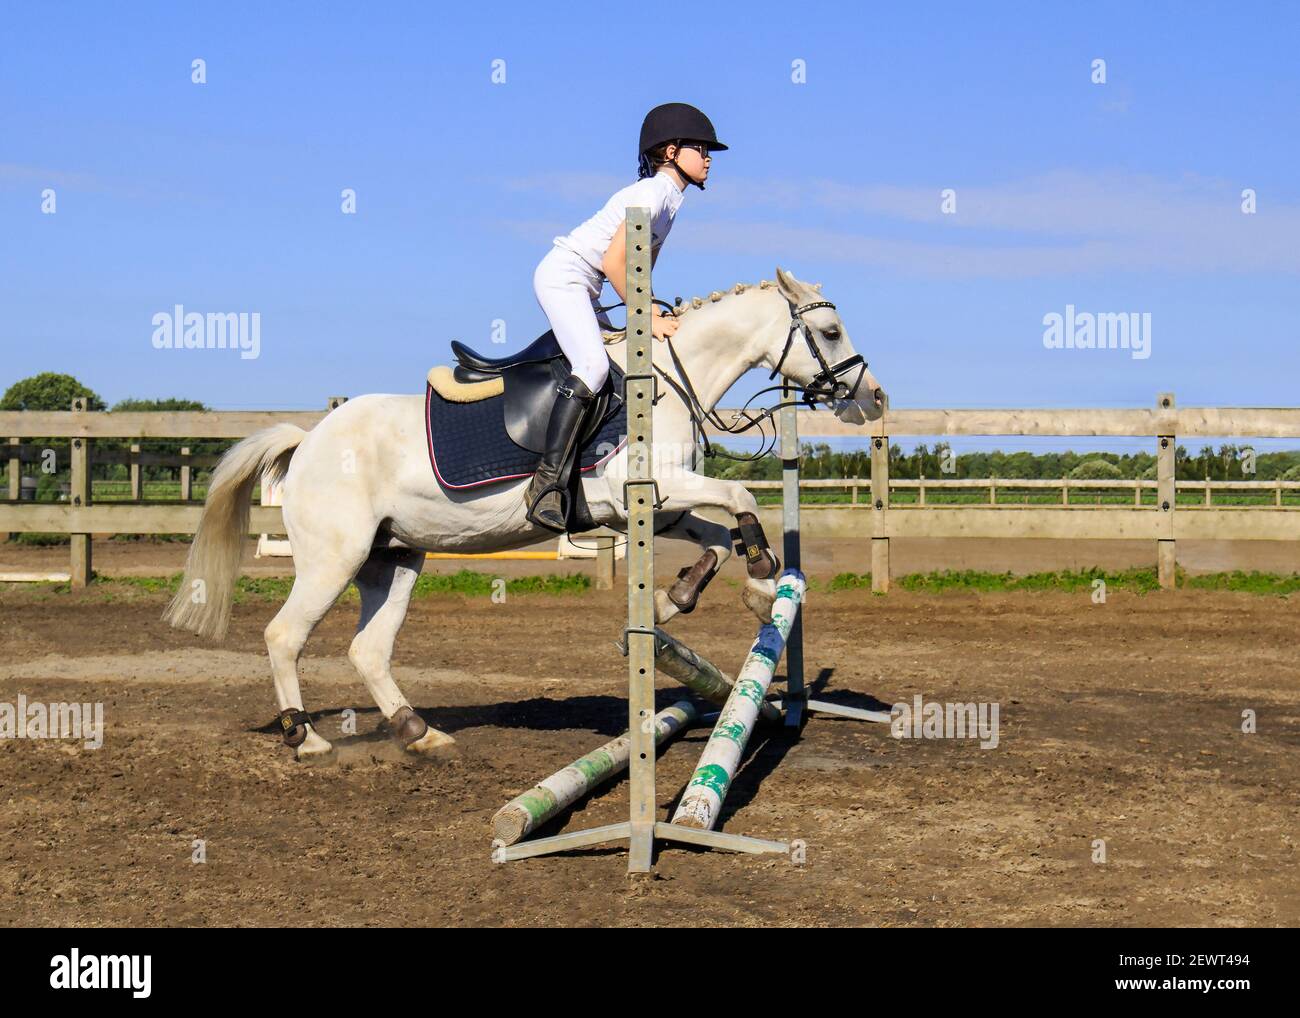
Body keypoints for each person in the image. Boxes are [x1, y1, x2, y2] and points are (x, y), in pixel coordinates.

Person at [523, 102, 727, 532]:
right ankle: (544, 483)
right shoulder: (653, 194)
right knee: (593, 366)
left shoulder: (671, 202)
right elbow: (618, 262)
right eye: (700, 148)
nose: (708, 157)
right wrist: (644, 315)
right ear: (670, 151)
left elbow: (641, 268)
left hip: (589, 284)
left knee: (612, 366)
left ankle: (590, 475)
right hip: (565, 277)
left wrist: (649, 307)